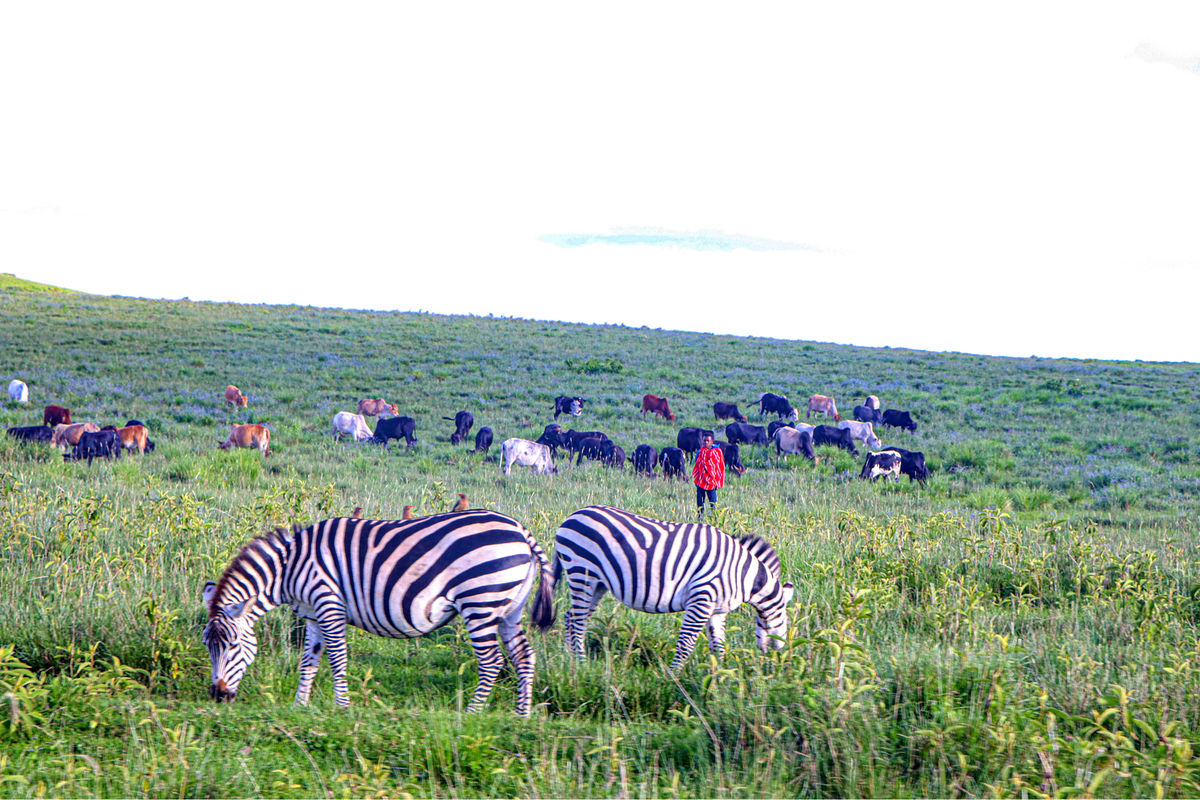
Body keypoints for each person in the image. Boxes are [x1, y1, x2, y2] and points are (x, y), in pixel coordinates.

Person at [692, 432, 725, 517]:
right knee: (700, 502)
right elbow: (697, 465)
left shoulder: (717, 453)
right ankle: (700, 518)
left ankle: (714, 519)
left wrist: (718, 482)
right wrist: (697, 480)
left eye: (708, 440)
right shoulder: (700, 452)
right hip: (701, 481)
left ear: (712, 441)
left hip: (712, 482)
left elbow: (720, 467)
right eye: (704, 440)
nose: (706, 442)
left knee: (713, 503)